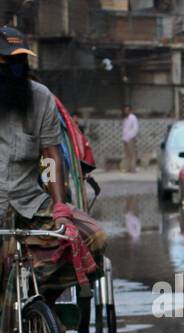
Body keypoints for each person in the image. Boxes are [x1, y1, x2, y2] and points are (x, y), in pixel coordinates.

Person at [0, 27, 105, 301]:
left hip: (30, 203)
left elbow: (49, 154)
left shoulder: (40, 97)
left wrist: (59, 206)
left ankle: (41, 303)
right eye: (9, 63)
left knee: (92, 237)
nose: (16, 71)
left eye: (20, 63)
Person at [120, 104, 137, 173]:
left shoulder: (133, 117)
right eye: (125, 110)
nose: (126, 111)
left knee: (132, 154)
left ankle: (133, 169)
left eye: (127, 110)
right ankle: (127, 168)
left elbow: (135, 128)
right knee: (127, 154)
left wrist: (130, 136)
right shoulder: (125, 118)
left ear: (130, 110)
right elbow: (125, 129)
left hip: (130, 138)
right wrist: (124, 137)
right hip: (125, 139)